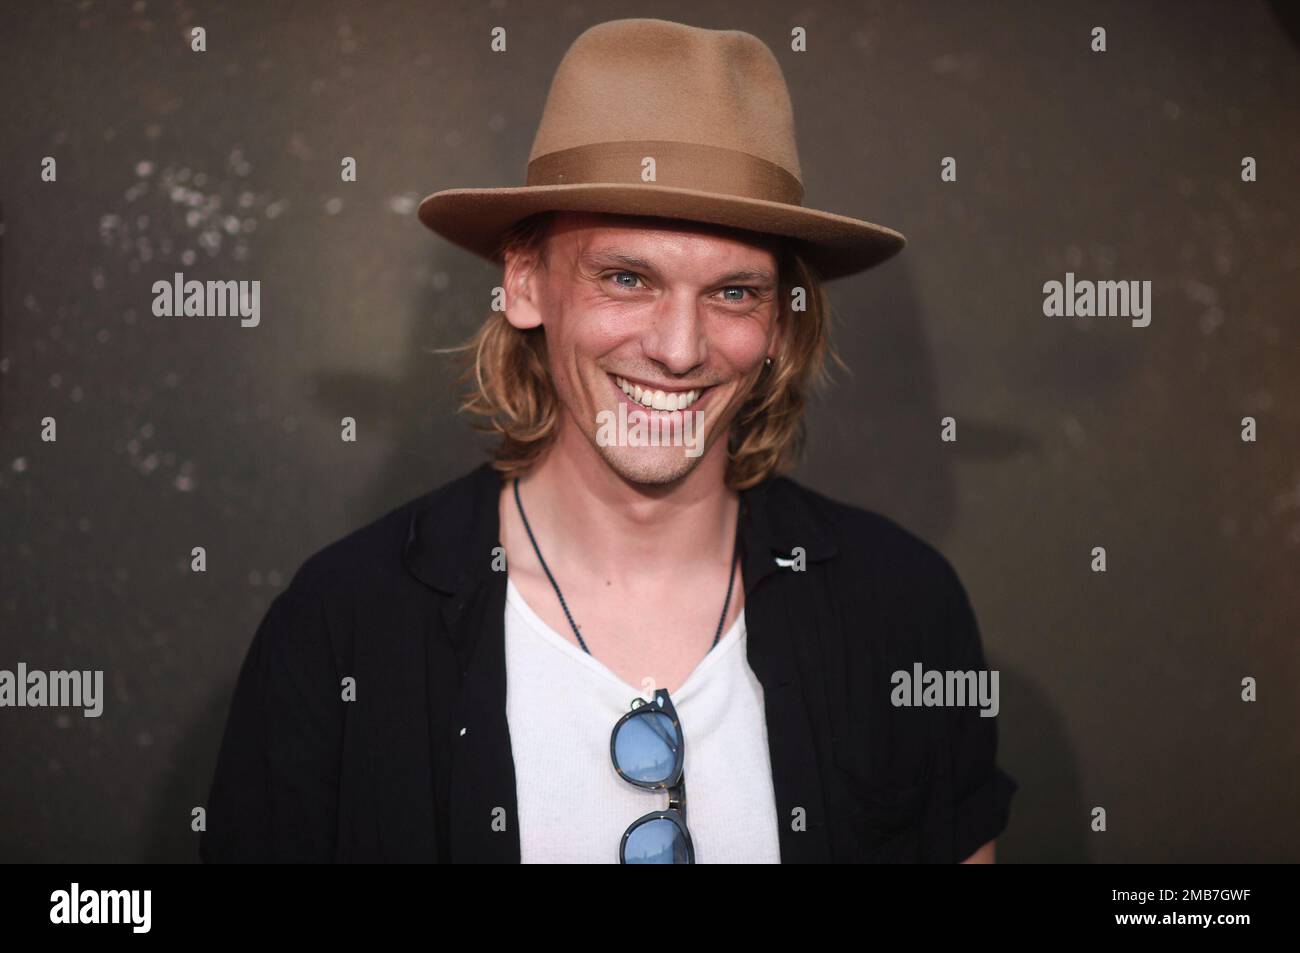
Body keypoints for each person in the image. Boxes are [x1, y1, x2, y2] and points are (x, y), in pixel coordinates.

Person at [200, 17, 1016, 864]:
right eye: (627, 278)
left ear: (780, 322)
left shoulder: (904, 610)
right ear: (524, 281)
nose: (678, 347)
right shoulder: (343, 627)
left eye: (735, 292)